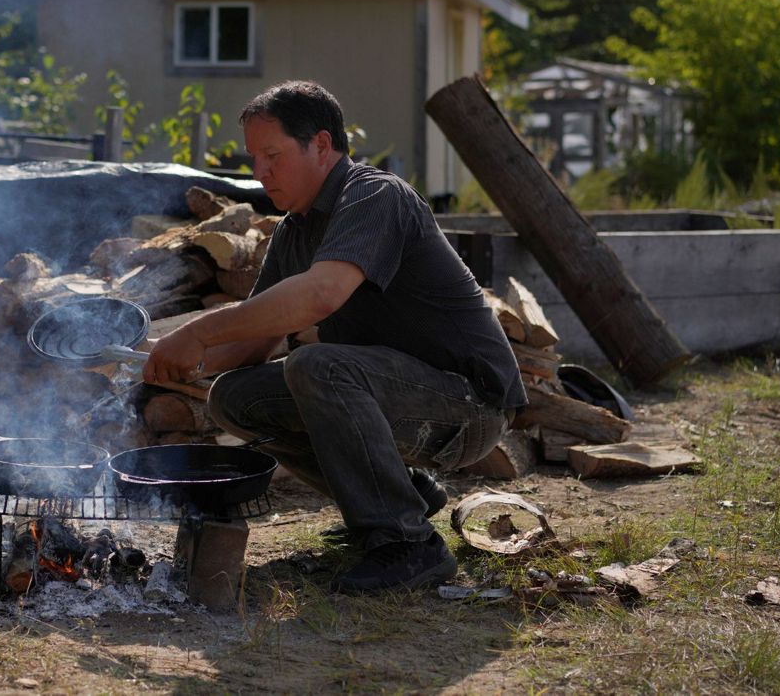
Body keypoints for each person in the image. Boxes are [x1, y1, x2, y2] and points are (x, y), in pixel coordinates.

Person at [143, 80, 526, 594]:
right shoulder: (293, 231)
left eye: (273, 156)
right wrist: (162, 359)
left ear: (321, 145)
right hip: (406, 395)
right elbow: (255, 342)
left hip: (471, 404)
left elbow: (320, 295)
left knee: (317, 366)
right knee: (234, 397)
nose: (259, 172)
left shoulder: (374, 195)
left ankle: (408, 544)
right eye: (254, 159)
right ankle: (406, 495)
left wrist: (198, 331)